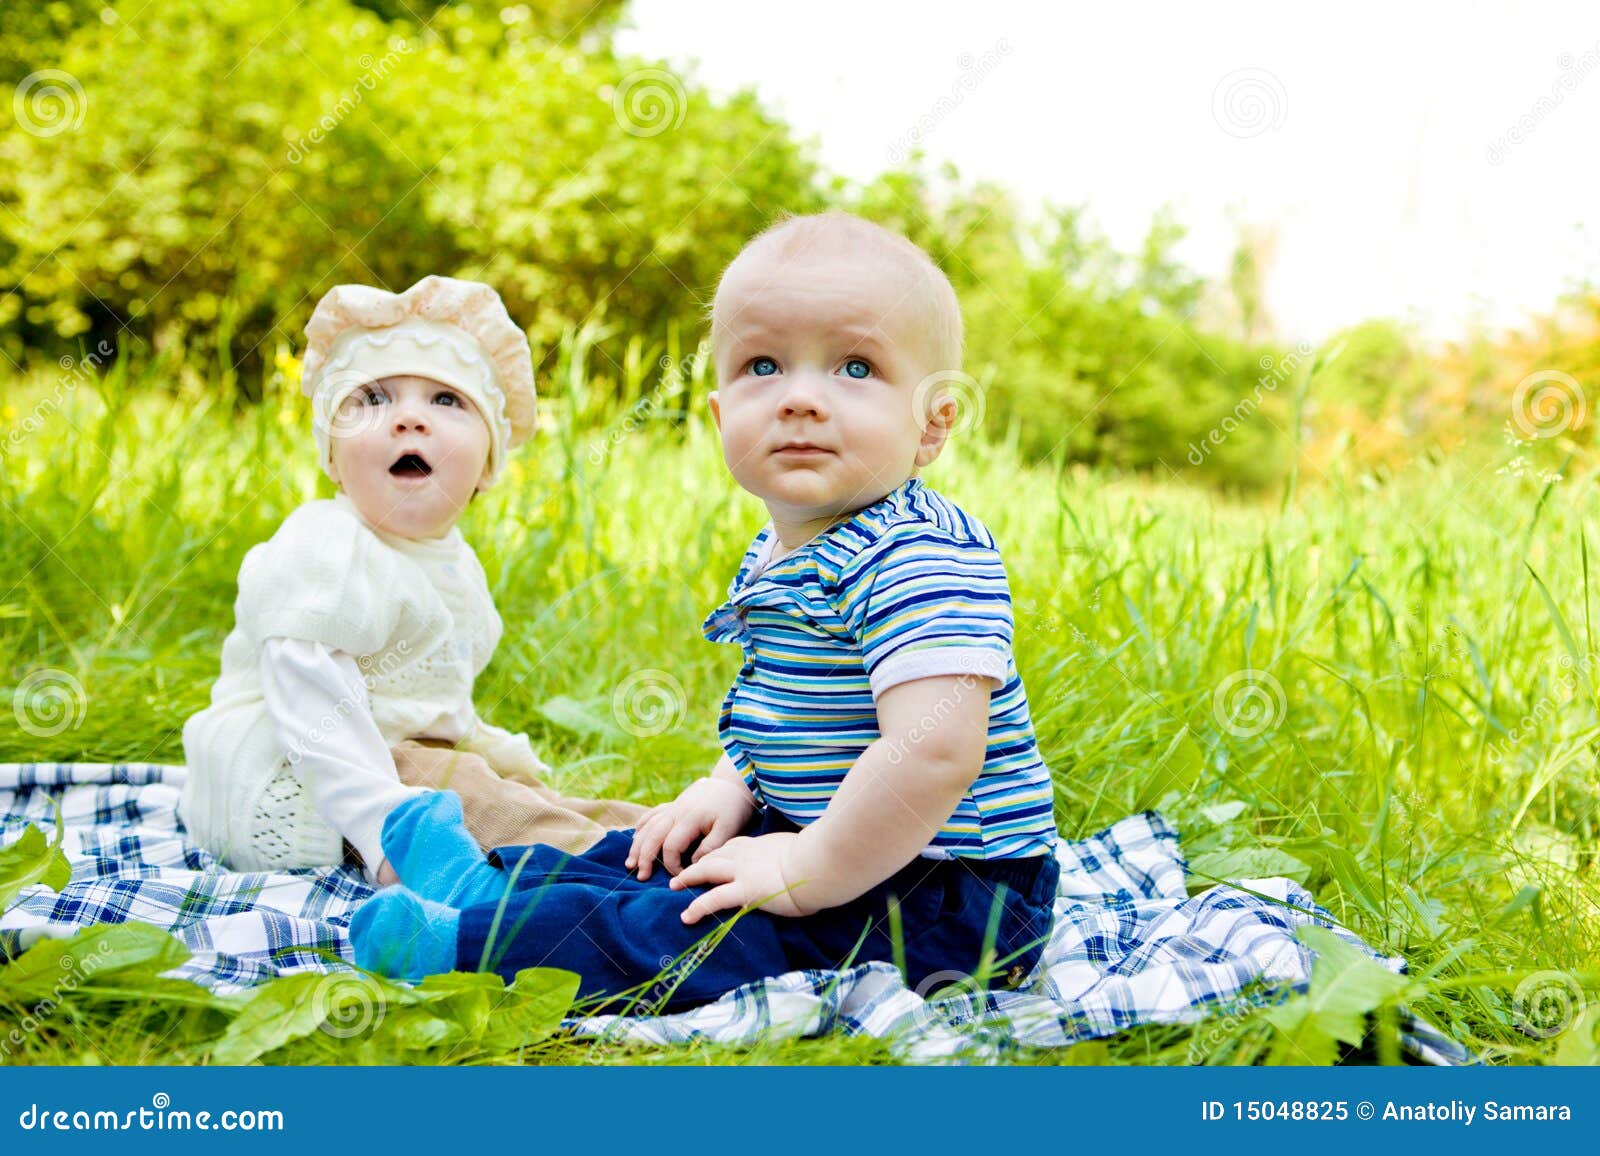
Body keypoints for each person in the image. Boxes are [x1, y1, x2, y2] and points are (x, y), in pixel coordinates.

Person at [350, 215, 1060, 1009]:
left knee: (693, 930)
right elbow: (794, 711)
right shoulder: (787, 547)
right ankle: (482, 886)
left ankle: (464, 948)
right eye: (765, 364)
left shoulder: (920, 557)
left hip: (948, 900)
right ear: (722, 418)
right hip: (828, 833)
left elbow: (934, 753)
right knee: (651, 859)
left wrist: (804, 868)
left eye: (855, 367)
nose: (799, 398)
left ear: (932, 425)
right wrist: (735, 786)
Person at [179, 275, 647, 884]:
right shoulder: (327, 540)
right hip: (291, 774)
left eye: (446, 401)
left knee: (513, 792)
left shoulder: (455, 565)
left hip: (399, 764)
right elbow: (309, 693)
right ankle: (638, 866)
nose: (408, 419)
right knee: (477, 796)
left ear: (487, 465)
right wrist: (385, 837)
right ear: (334, 458)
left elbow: (429, 706)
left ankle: (668, 831)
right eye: (372, 399)